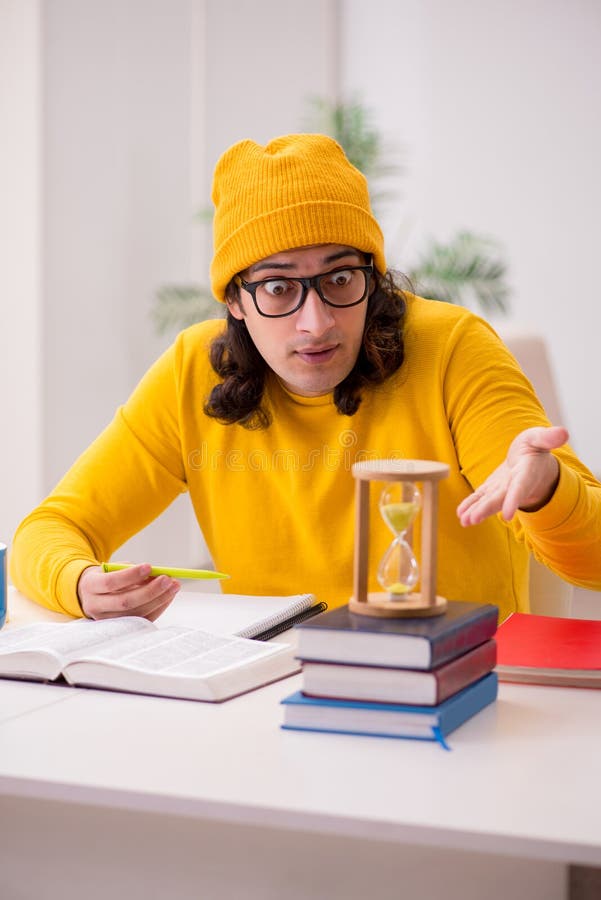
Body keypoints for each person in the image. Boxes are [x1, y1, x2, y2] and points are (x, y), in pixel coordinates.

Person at [9, 134, 601, 622]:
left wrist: (547, 488)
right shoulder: (194, 368)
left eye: (341, 278)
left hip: (452, 689)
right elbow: (51, 529)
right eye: (278, 287)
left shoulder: (452, 349)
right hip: (266, 694)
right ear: (235, 301)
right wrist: (80, 581)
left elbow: (593, 563)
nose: (315, 323)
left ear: (373, 274)